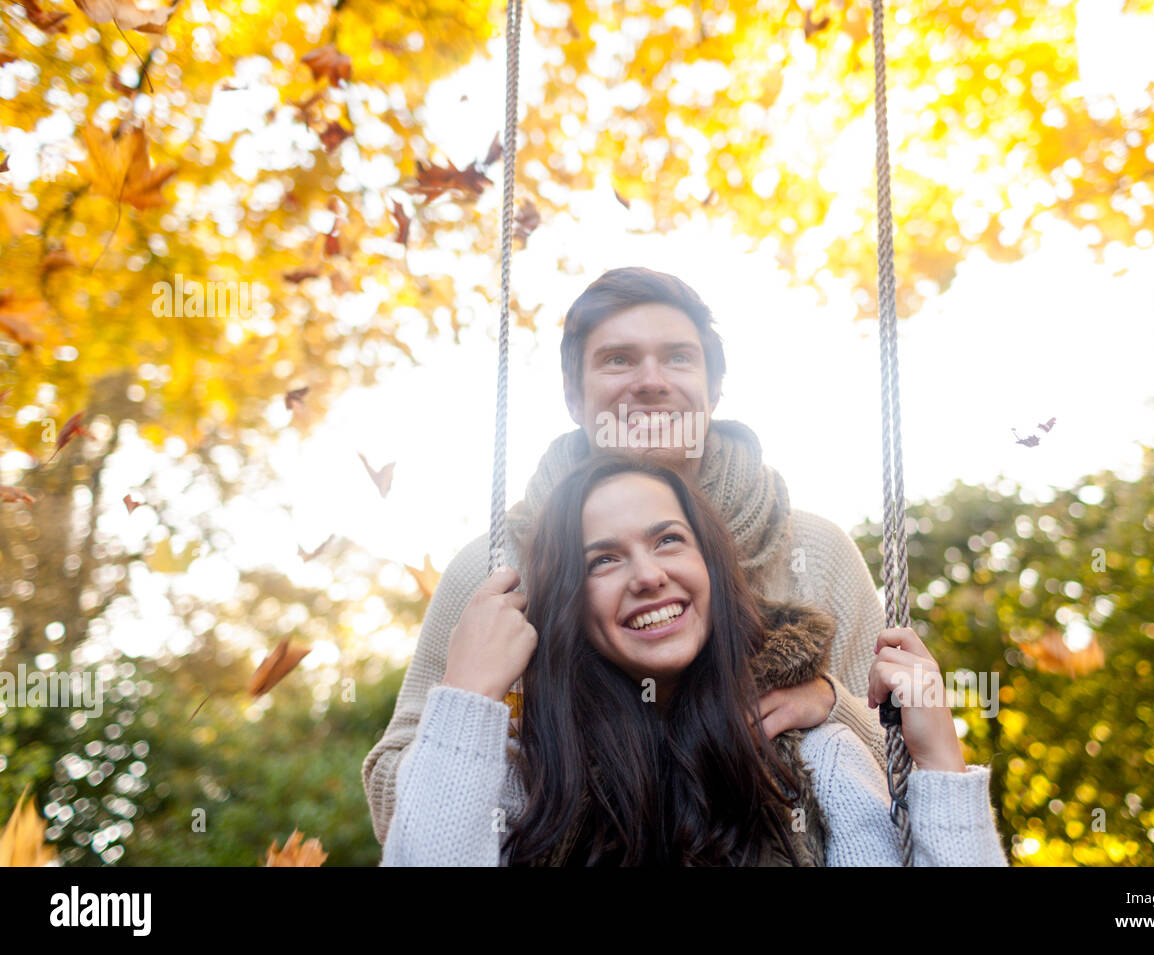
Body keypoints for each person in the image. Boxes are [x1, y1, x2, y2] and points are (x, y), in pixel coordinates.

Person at [365, 266, 894, 845]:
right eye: (618, 360)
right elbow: (395, 801)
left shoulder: (813, 552)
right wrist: (486, 717)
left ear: (714, 390)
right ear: (574, 395)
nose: (650, 381)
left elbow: (911, 766)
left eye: (678, 358)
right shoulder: (497, 566)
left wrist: (830, 705)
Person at [380, 456, 1008, 865]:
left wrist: (940, 764)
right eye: (603, 559)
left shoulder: (813, 758)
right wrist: (466, 696)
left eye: (668, 540)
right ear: (569, 602)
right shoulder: (524, 774)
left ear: (712, 566)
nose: (648, 576)